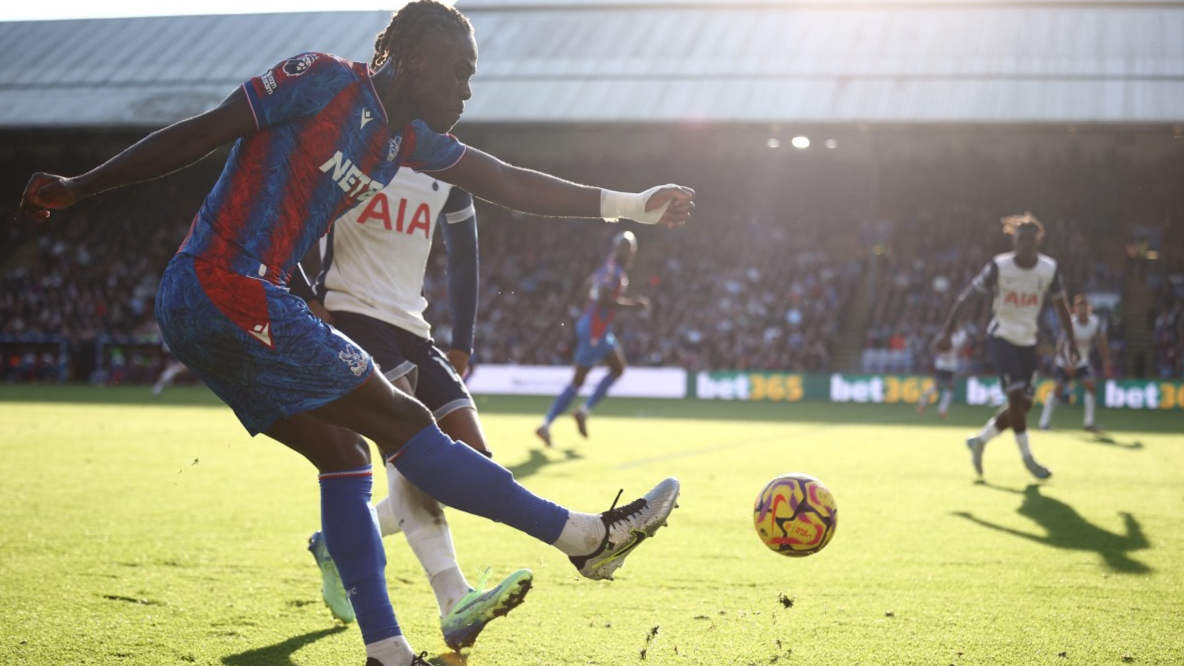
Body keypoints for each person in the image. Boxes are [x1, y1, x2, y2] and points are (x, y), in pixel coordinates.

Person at [19, 3, 694, 665]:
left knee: (345, 455)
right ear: (415, 59)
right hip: (220, 282)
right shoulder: (322, 80)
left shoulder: (405, 141)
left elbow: (505, 180)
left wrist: (632, 205)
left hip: (237, 299)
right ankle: (584, 537)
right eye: (458, 72)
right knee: (401, 417)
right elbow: (207, 130)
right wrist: (83, 184)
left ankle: (387, 652)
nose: (466, 90)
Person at [295, 166, 531, 651]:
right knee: (414, 452)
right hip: (353, 319)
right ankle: (454, 601)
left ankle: (334, 543)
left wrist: (461, 340)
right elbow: (293, 221)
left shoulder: (449, 166)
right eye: (455, 82)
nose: (461, 94)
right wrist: (306, 296)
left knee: (471, 464)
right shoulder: (355, 152)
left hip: (414, 331)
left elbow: (464, 256)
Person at [936, 213, 1076, 480]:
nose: (1024, 244)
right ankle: (1029, 459)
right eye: (1019, 239)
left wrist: (1071, 341)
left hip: (1028, 341)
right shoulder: (999, 267)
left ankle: (980, 440)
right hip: (1001, 337)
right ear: (1013, 240)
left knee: (1022, 407)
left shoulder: (1049, 270)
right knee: (1014, 399)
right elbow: (966, 298)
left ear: (1038, 240)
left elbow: (1062, 308)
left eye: (1029, 239)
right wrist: (946, 331)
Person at [535, 231, 647, 447]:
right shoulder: (614, 270)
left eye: (632, 249)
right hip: (595, 331)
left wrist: (591, 305)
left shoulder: (609, 266)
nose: (631, 253)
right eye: (628, 249)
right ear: (619, 249)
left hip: (598, 328)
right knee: (579, 381)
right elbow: (605, 299)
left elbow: (588, 287)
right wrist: (633, 305)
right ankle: (547, 424)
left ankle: (581, 412)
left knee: (617, 368)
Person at [1038, 294, 1112, 432]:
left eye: (1084, 307)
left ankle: (1089, 423)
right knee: (1058, 390)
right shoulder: (1070, 324)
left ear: (1089, 308)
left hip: (1081, 362)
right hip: (1064, 362)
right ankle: (1044, 423)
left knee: (1091, 387)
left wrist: (1106, 359)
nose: (1082, 310)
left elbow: (1101, 341)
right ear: (1074, 309)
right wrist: (1067, 364)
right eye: (1079, 307)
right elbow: (1060, 346)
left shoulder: (1094, 323)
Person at [917, 322, 969, 419]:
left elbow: (933, 347)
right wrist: (960, 327)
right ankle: (942, 409)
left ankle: (923, 403)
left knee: (937, 386)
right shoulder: (956, 338)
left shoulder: (942, 336)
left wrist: (939, 350)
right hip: (951, 366)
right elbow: (964, 336)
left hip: (941, 364)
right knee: (949, 387)